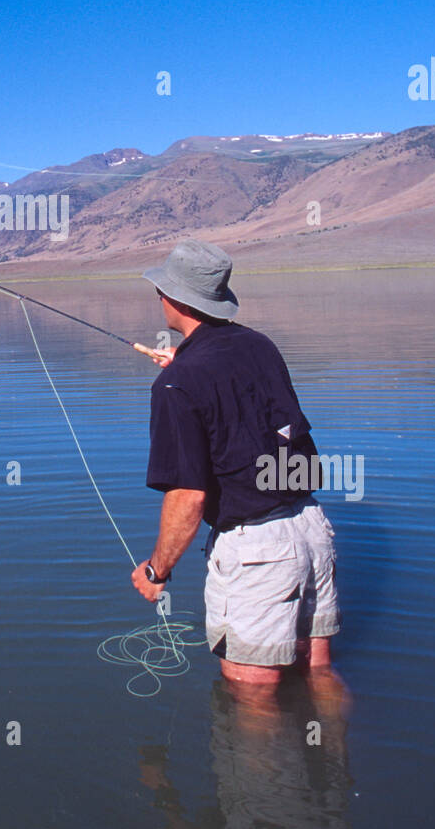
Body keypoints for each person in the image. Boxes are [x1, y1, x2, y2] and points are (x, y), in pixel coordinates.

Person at [131, 238, 341, 689]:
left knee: (251, 701)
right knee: (319, 674)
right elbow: (238, 395)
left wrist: (156, 572)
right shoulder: (259, 346)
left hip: (258, 554)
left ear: (174, 299)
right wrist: (183, 367)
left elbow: (188, 498)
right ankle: (336, 758)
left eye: (161, 290)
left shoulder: (177, 386)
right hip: (312, 526)